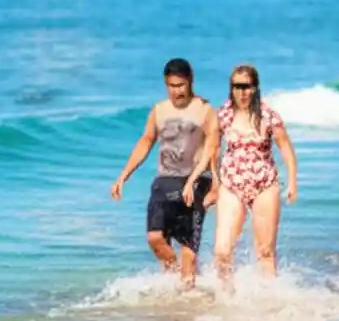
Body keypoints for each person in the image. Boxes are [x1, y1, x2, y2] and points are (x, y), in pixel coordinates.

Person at [111, 58, 219, 288]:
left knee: (189, 253)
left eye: (181, 85)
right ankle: (176, 277)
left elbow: (214, 150)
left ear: (190, 81)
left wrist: (217, 186)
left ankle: (183, 305)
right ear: (165, 83)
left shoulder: (205, 110)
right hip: (164, 182)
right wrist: (124, 175)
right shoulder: (159, 110)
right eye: (172, 86)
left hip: (196, 182)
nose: (177, 91)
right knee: (155, 238)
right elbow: (146, 141)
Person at [195, 64, 299, 287]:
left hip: (264, 185)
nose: (241, 92)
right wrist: (214, 183)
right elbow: (212, 148)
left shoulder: (269, 116)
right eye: (236, 87)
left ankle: (270, 301)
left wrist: (292, 182)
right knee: (222, 251)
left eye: (246, 87)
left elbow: (286, 149)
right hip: (231, 185)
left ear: (255, 88)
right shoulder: (222, 115)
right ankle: (227, 298)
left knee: (265, 251)